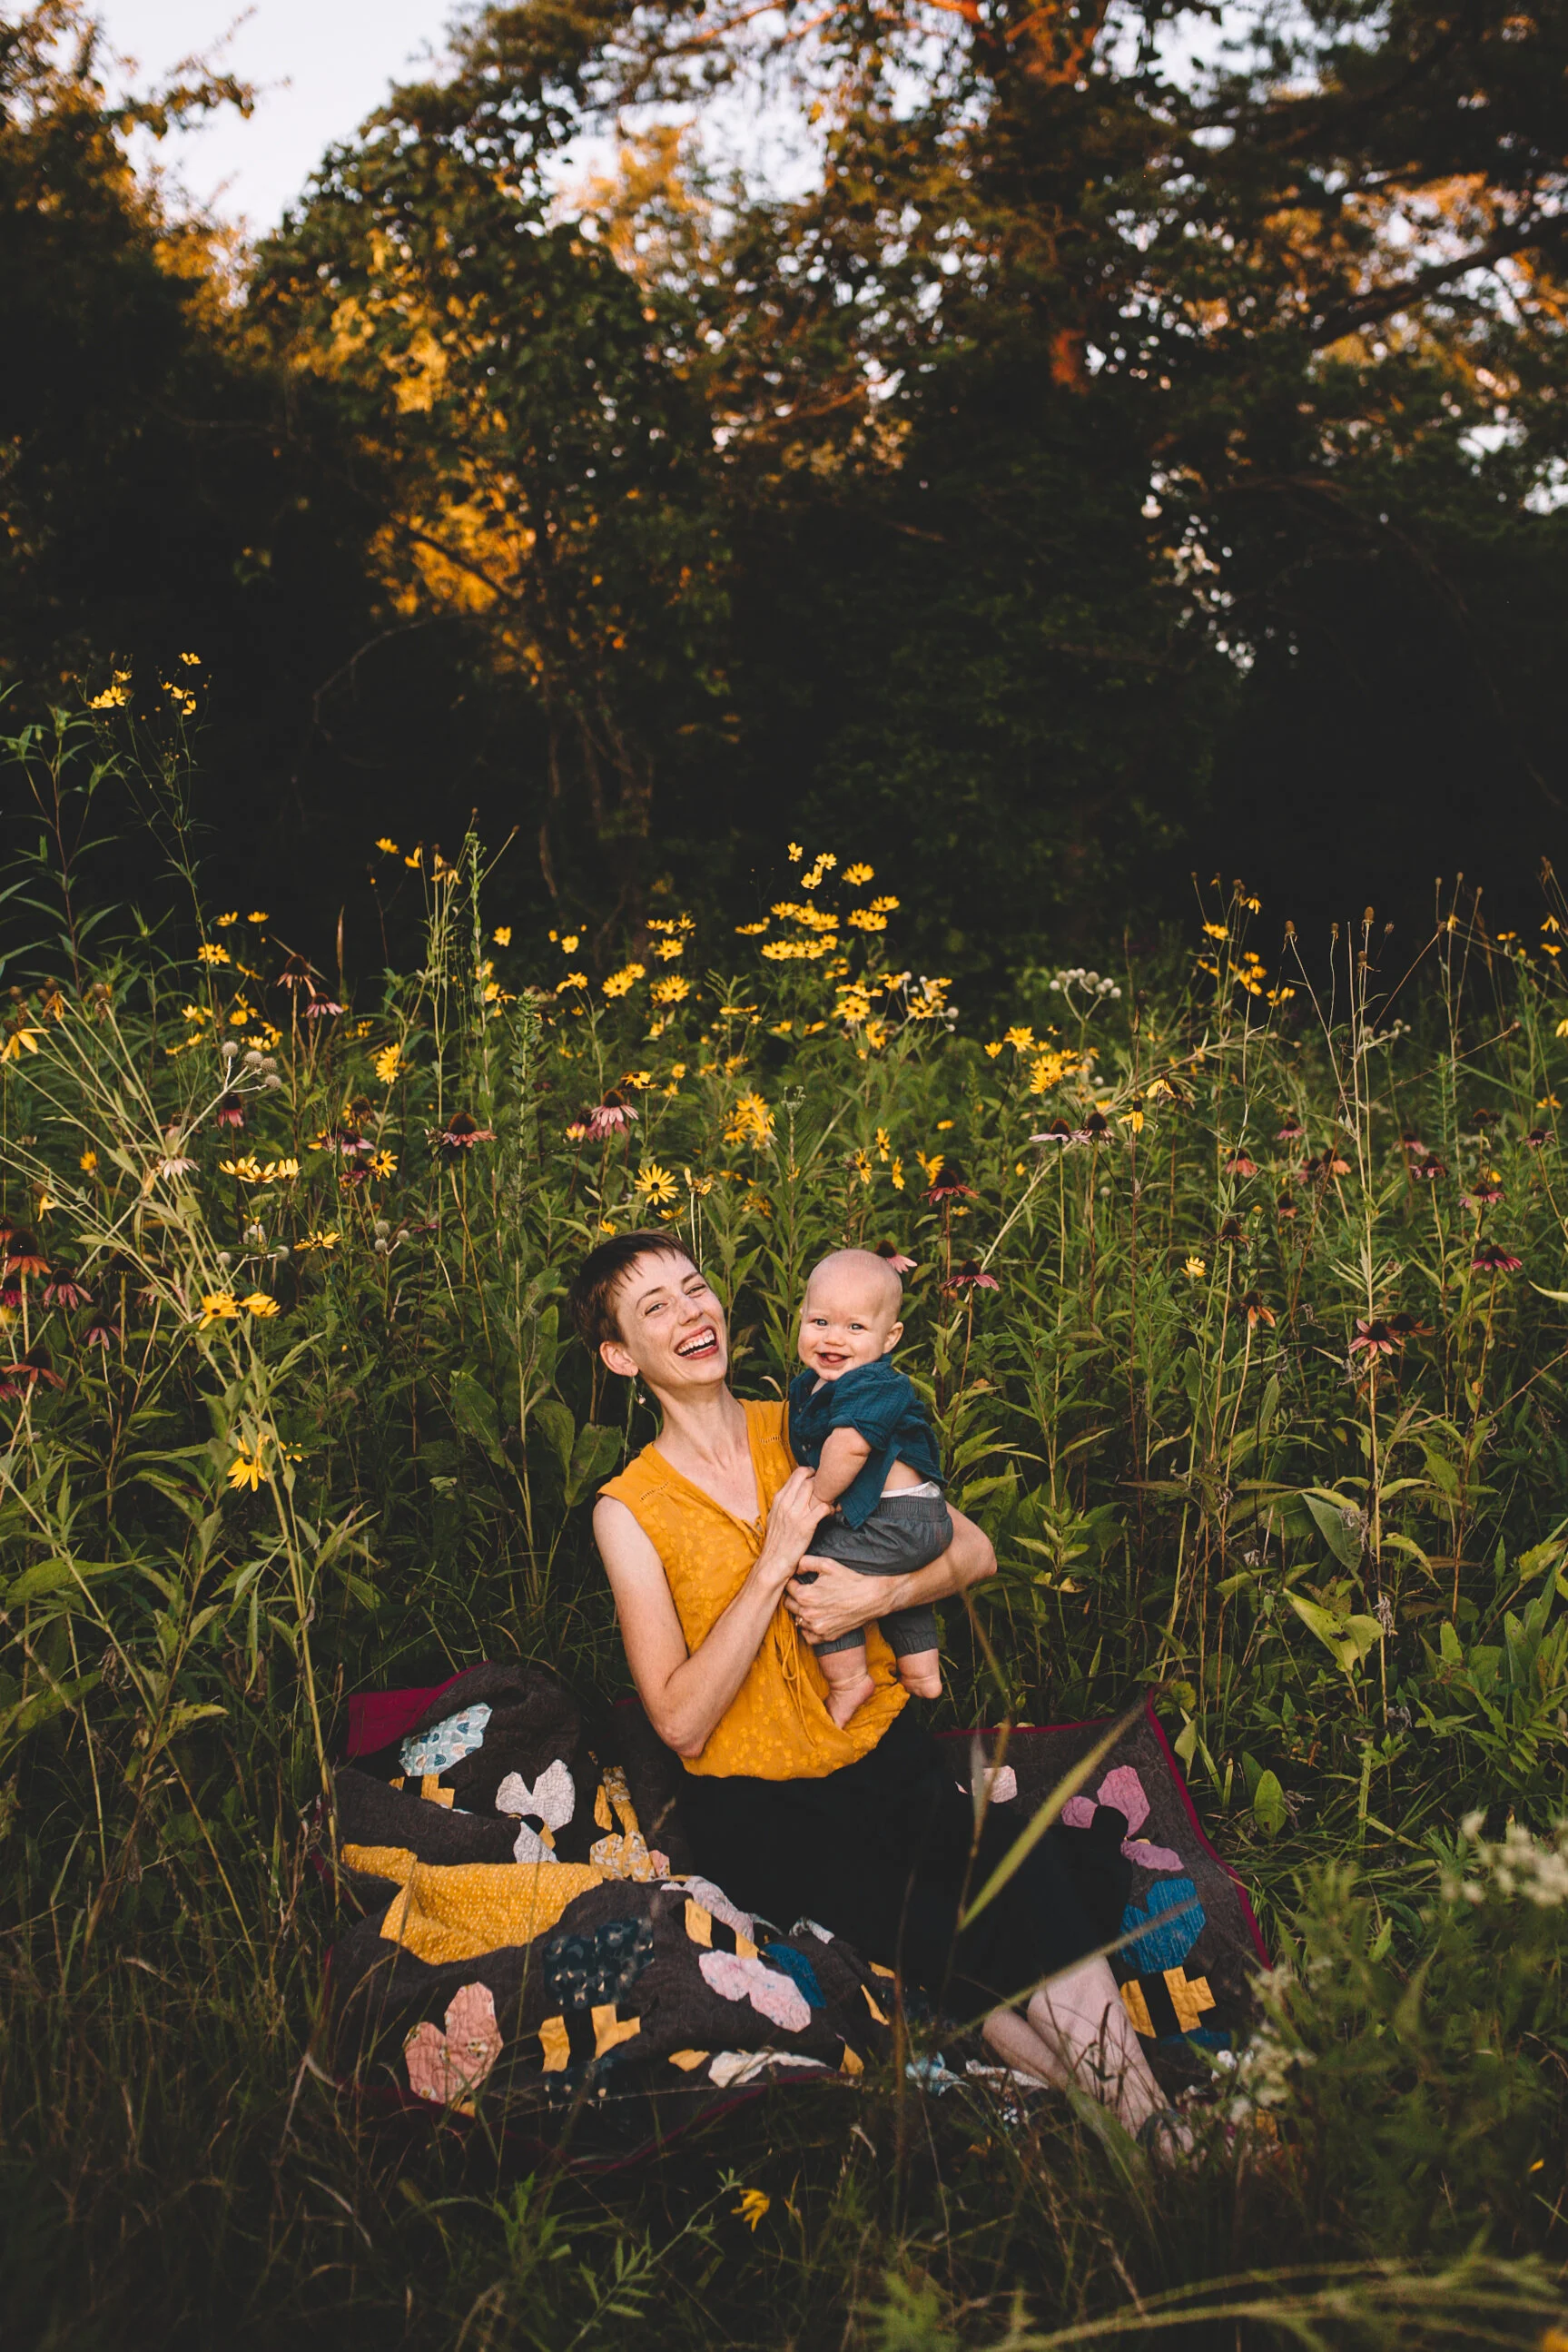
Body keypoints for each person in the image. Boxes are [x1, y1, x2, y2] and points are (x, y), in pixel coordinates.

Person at [574, 1229, 1176, 2139]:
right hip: (763, 1812)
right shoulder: (628, 1510)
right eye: (654, 1305)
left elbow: (971, 1549)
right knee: (930, 1934)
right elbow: (680, 1721)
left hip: (885, 1760)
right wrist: (773, 1560)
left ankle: (1147, 2127)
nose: (691, 1312)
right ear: (621, 1355)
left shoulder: (816, 1414)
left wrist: (881, 1588)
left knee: (1022, 1868)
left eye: (695, 1288)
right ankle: (1147, 2134)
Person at [788, 1247, 950, 1726]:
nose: (834, 1338)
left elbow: (851, 1449)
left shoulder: (873, 1383)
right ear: (801, 1317)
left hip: (900, 1520)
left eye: (855, 1328)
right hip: (911, 1523)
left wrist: (818, 1501)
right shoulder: (815, 1382)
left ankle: (848, 1681)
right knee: (879, 1575)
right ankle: (923, 1670)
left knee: (820, 1565)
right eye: (820, 1322)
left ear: (890, 1337)